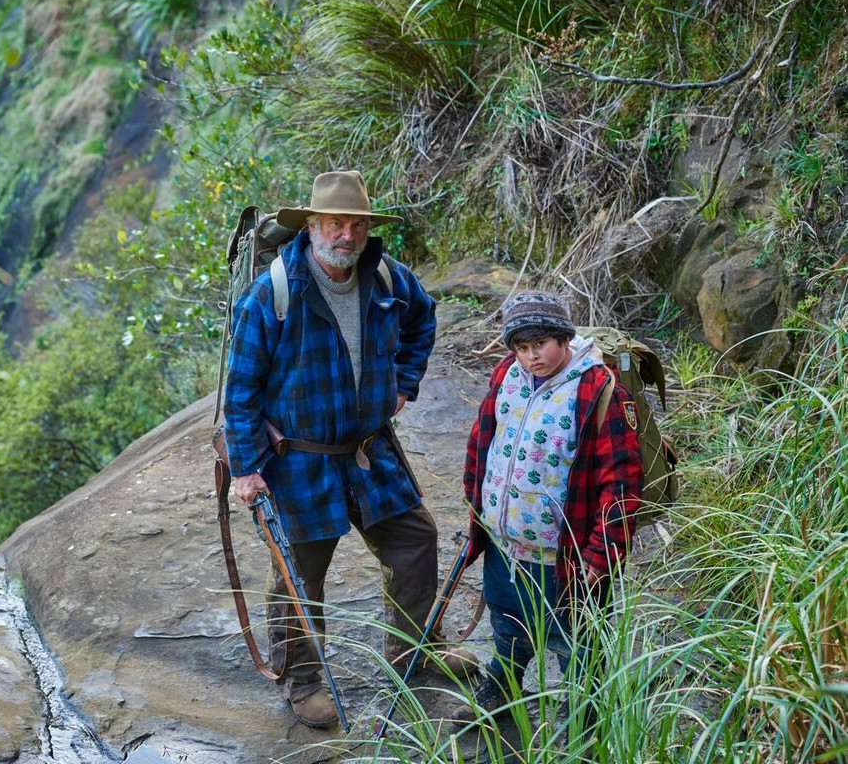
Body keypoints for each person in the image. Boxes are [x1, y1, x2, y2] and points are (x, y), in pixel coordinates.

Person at [224, 170, 470, 729]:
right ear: (311, 225)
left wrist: (404, 383)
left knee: (414, 540)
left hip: (367, 447)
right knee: (299, 572)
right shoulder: (274, 292)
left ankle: (414, 650)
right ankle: (303, 680)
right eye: (335, 222)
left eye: (357, 223)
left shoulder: (385, 276)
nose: (347, 233)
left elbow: (422, 317)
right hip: (300, 457)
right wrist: (246, 468)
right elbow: (241, 390)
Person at [457, 290, 643, 726]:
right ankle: (501, 694)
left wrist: (601, 556)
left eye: (540, 344)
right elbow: (482, 442)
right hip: (506, 546)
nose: (531, 356)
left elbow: (621, 483)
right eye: (521, 347)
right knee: (506, 626)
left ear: (562, 337)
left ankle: (585, 722)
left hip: (567, 559)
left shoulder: (597, 390)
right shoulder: (507, 374)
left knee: (576, 645)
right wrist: (477, 509)